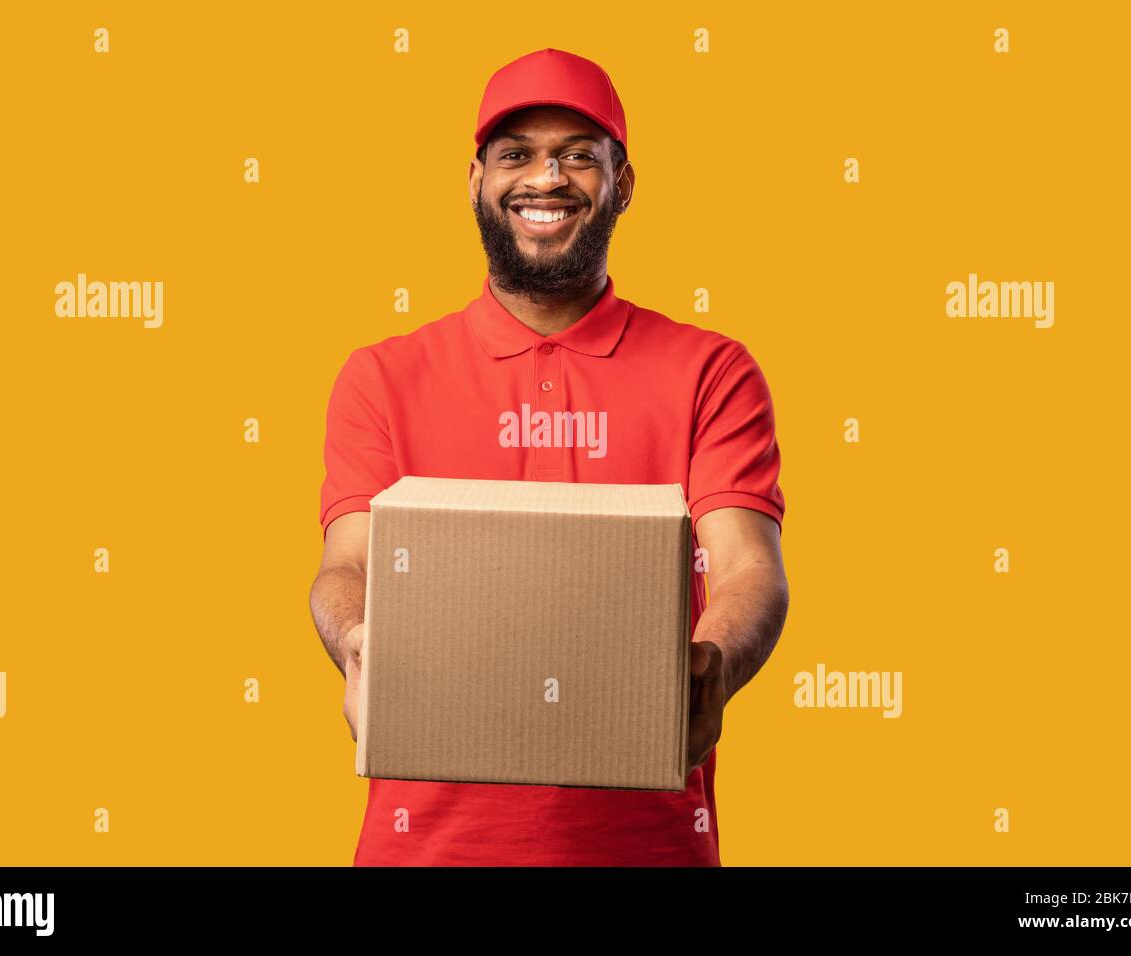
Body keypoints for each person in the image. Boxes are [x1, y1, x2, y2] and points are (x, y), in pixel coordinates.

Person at [310, 48, 789, 866]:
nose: (546, 177)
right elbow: (346, 564)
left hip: (646, 846)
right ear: (475, 181)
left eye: (577, 153)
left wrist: (714, 662)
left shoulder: (711, 369)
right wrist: (356, 637)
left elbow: (749, 568)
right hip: (425, 850)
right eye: (516, 154)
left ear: (623, 185)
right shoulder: (382, 376)